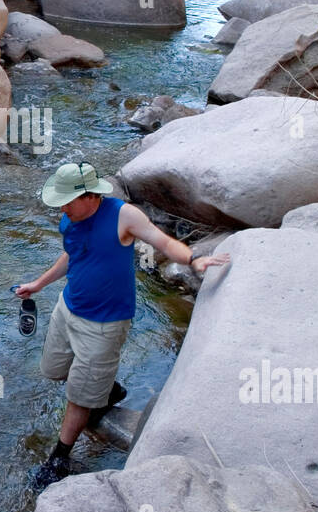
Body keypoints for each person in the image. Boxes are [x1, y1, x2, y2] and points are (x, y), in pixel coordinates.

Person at [16, 160, 230, 488]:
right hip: (68, 307)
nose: (62, 208)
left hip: (105, 323)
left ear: (89, 196)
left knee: (79, 397)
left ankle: (60, 456)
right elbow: (72, 255)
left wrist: (192, 258)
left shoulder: (124, 216)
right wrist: (39, 284)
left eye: (66, 201)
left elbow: (161, 242)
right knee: (54, 371)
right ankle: (108, 389)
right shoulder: (70, 217)